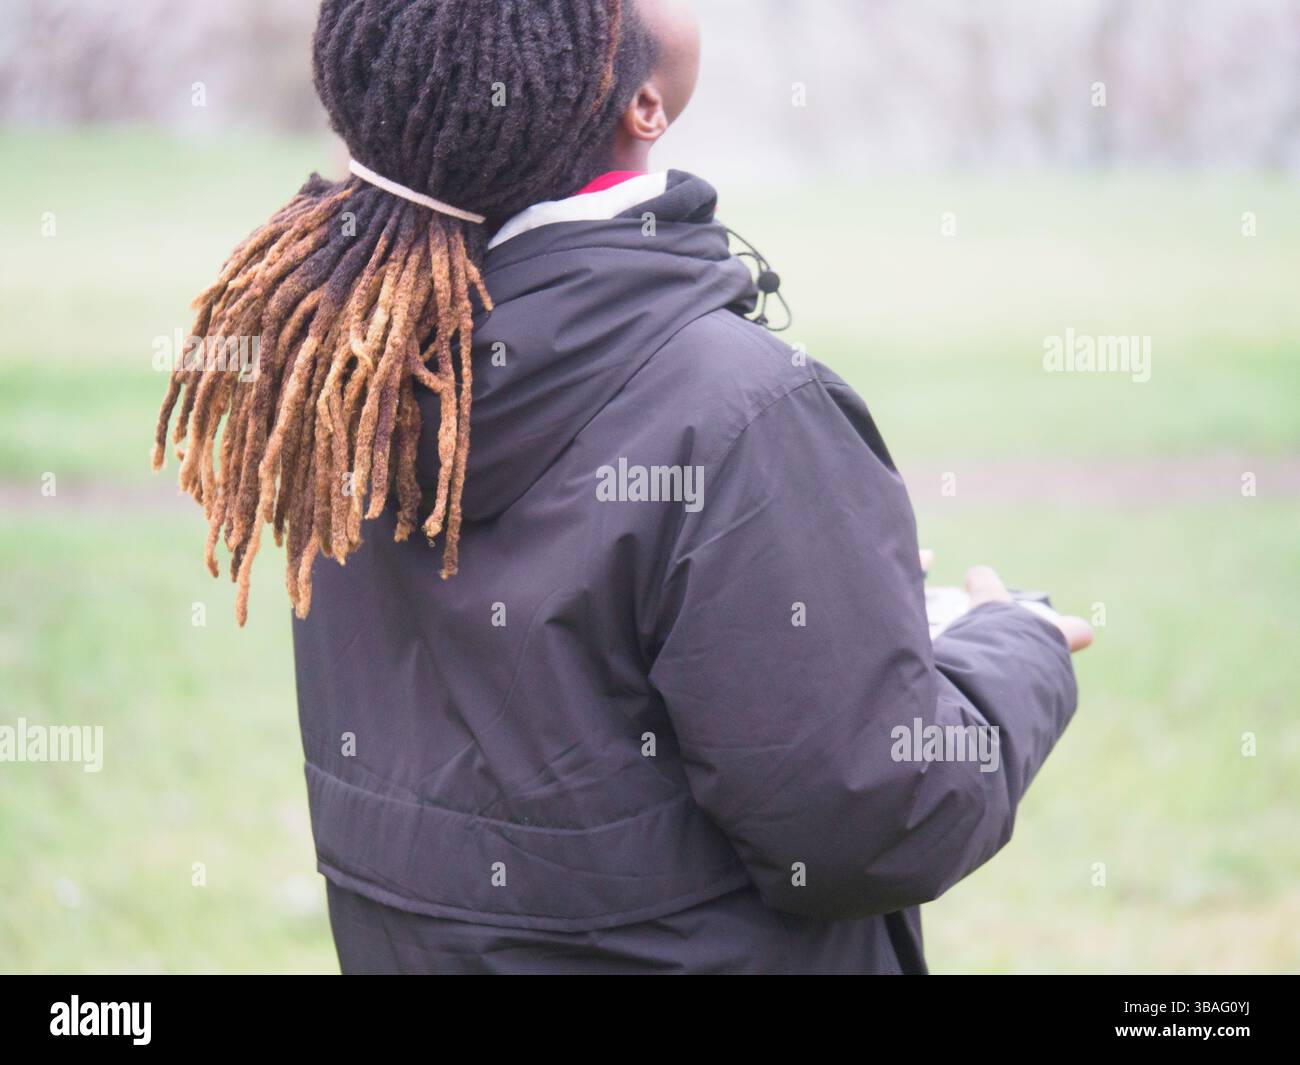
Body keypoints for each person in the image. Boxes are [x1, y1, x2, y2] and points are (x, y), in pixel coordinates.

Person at [153, 0, 1090, 974]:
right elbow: (874, 821)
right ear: (642, 104)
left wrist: (824, 614)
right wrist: (1009, 652)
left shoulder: (343, 359)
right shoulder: (738, 414)